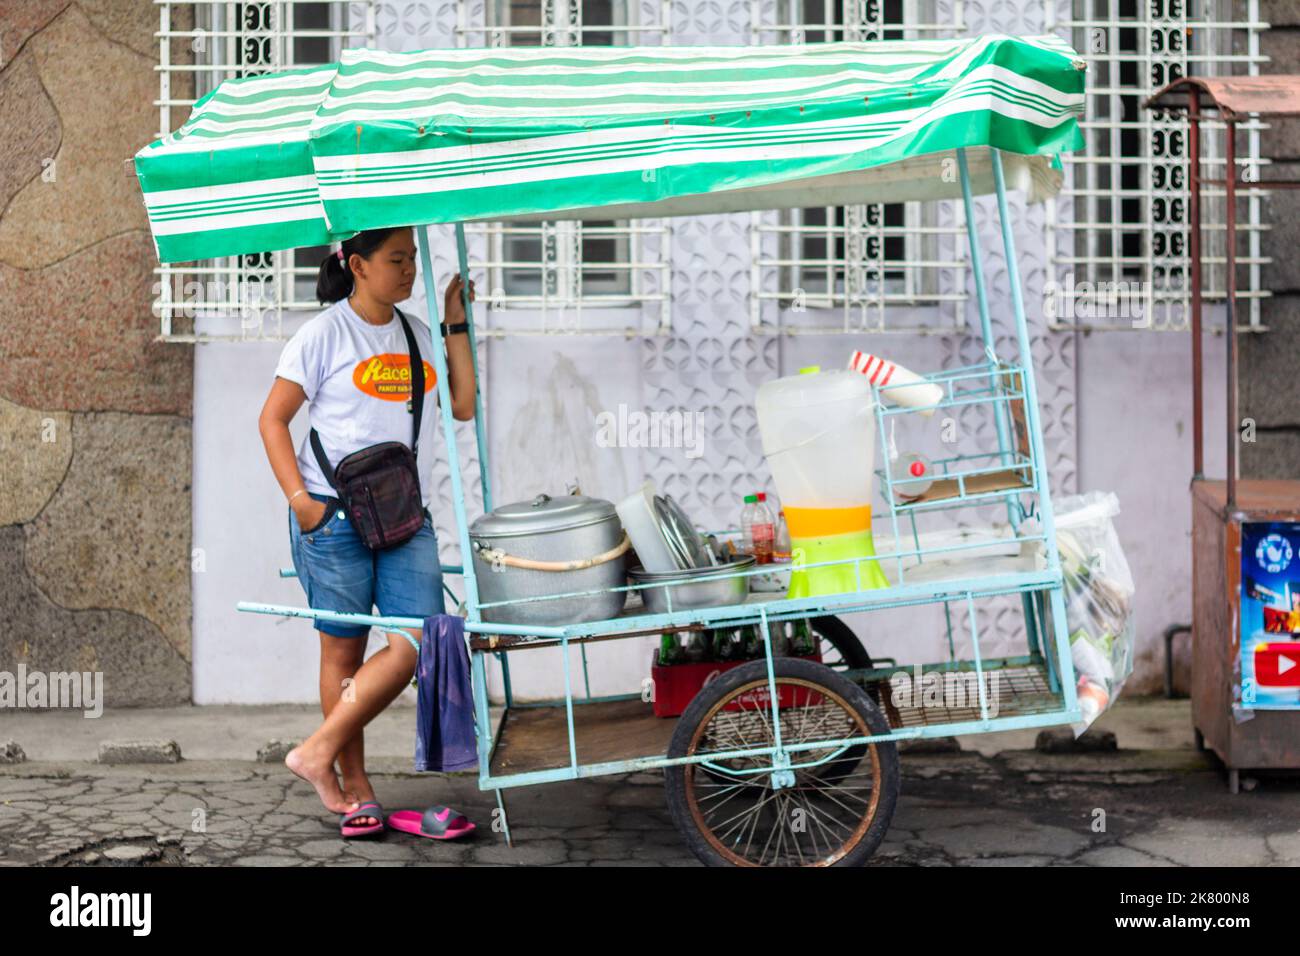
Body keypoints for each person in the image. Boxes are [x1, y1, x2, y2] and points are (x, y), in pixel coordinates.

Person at [257, 226, 476, 836]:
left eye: (412, 259)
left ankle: (315, 750)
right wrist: (303, 504)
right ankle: (355, 790)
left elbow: (462, 404)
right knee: (343, 651)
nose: (409, 270)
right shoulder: (322, 335)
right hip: (332, 516)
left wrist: (455, 322)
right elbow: (272, 420)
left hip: (405, 519)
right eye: (396, 259)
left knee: (418, 642)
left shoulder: (419, 337)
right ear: (357, 265)